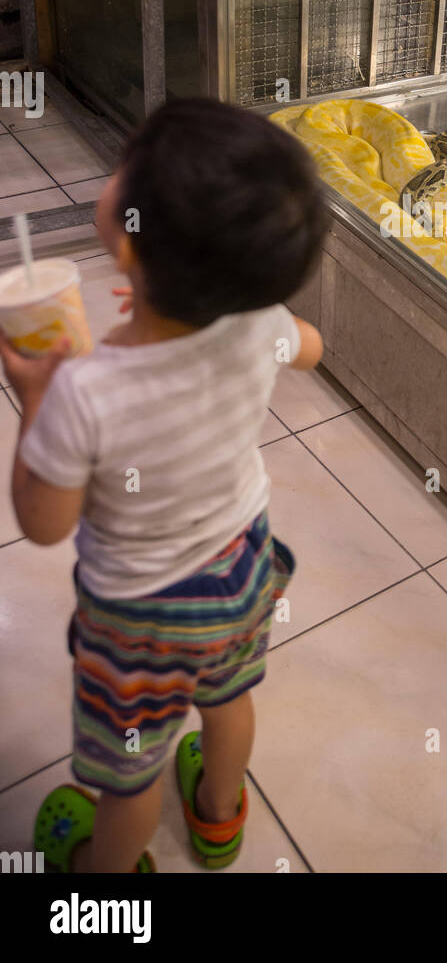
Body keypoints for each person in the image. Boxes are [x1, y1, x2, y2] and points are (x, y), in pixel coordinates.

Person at [0, 98, 326, 873]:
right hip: (239, 567)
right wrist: (194, 318)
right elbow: (308, 348)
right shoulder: (259, 320)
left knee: (131, 775)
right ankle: (218, 818)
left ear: (132, 248)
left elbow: (44, 523)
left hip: (141, 617)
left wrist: (36, 400)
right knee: (226, 699)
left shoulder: (85, 392)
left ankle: (103, 886)